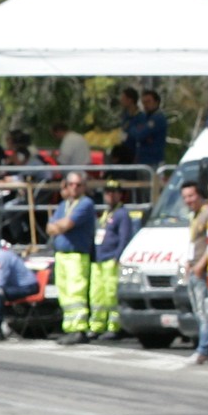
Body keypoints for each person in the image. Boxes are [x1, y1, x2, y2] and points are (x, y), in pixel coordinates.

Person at [46, 171, 97, 342]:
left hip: (77, 254)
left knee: (76, 292)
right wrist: (58, 226)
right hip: (62, 255)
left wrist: (58, 226)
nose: (74, 188)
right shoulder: (64, 205)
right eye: (71, 184)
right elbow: (50, 227)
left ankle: (79, 328)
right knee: (65, 292)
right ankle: (70, 327)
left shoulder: (85, 204)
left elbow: (66, 225)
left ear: (84, 187)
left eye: (78, 185)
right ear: (66, 186)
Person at [91, 178, 138, 340]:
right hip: (99, 260)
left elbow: (125, 238)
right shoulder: (106, 213)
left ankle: (114, 326)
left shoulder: (122, 214)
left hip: (111, 259)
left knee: (111, 295)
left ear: (120, 195)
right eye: (107, 192)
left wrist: (117, 257)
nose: (110, 196)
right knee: (98, 295)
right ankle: (97, 325)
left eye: (113, 192)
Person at [183, 179, 208, 365]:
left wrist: (200, 265)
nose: (188, 200)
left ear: (200, 195)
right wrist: (189, 264)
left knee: (204, 312)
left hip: (204, 271)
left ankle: (204, 350)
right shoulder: (195, 215)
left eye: (191, 196)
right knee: (199, 311)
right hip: (194, 268)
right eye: (185, 197)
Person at [135, 89, 170, 166]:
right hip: (142, 160)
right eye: (144, 102)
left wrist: (142, 133)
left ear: (156, 102)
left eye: (148, 102)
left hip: (154, 161)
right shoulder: (144, 118)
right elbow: (135, 132)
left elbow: (141, 135)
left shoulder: (158, 118)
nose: (145, 105)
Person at [114, 87, 142, 166]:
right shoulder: (125, 116)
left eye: (123, 98)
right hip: (124, 152)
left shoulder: (140, 117)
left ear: (130, 100)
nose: (121, 100)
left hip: (135, 153)